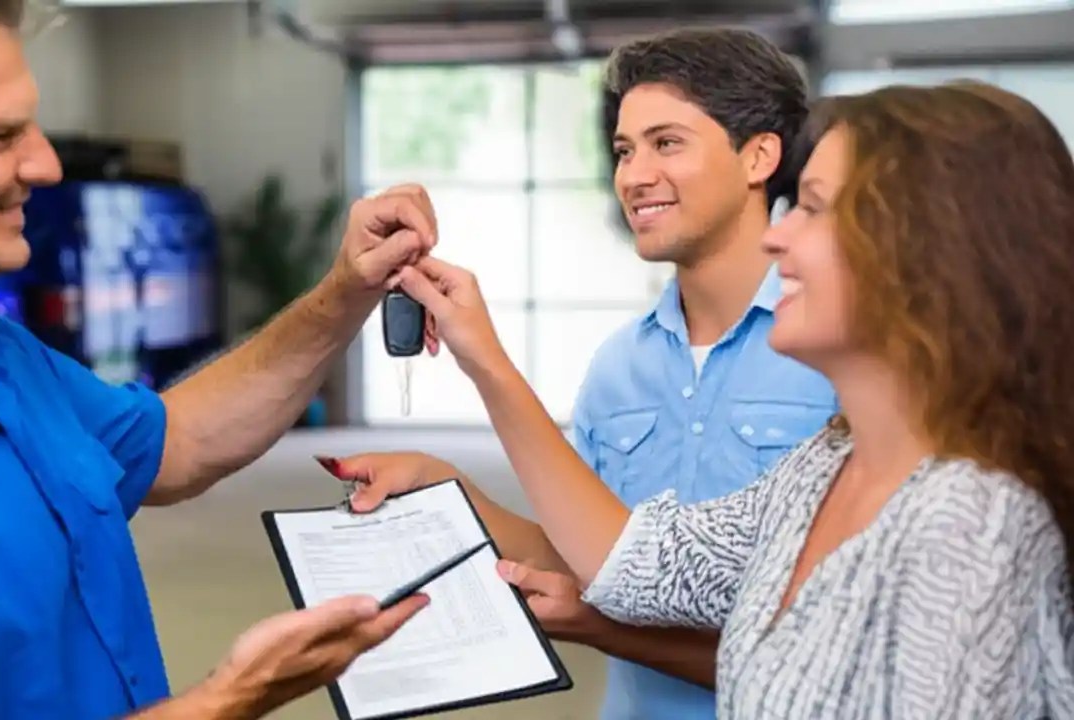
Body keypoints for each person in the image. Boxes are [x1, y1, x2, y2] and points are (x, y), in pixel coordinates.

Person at [342, 81, 1074, 716]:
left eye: (814, 208)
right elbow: (638, 563)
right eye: (625, 149)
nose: (779, 237)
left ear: (927, 250)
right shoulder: (823, 467)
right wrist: (473, 397)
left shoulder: (972, 518)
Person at [0, 1, 434, 717]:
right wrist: (232, 699)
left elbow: (179, 440)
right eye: (0, 136)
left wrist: (348, 289)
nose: (45, 164)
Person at [333, 28, 837, 719]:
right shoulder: (618, 366)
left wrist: (487, 363)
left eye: (667, 143)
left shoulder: (840, 355)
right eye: (625, 151)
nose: (633, 176)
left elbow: (824, 644)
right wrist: (445, 489)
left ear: (759, 156)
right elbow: (594, 557)